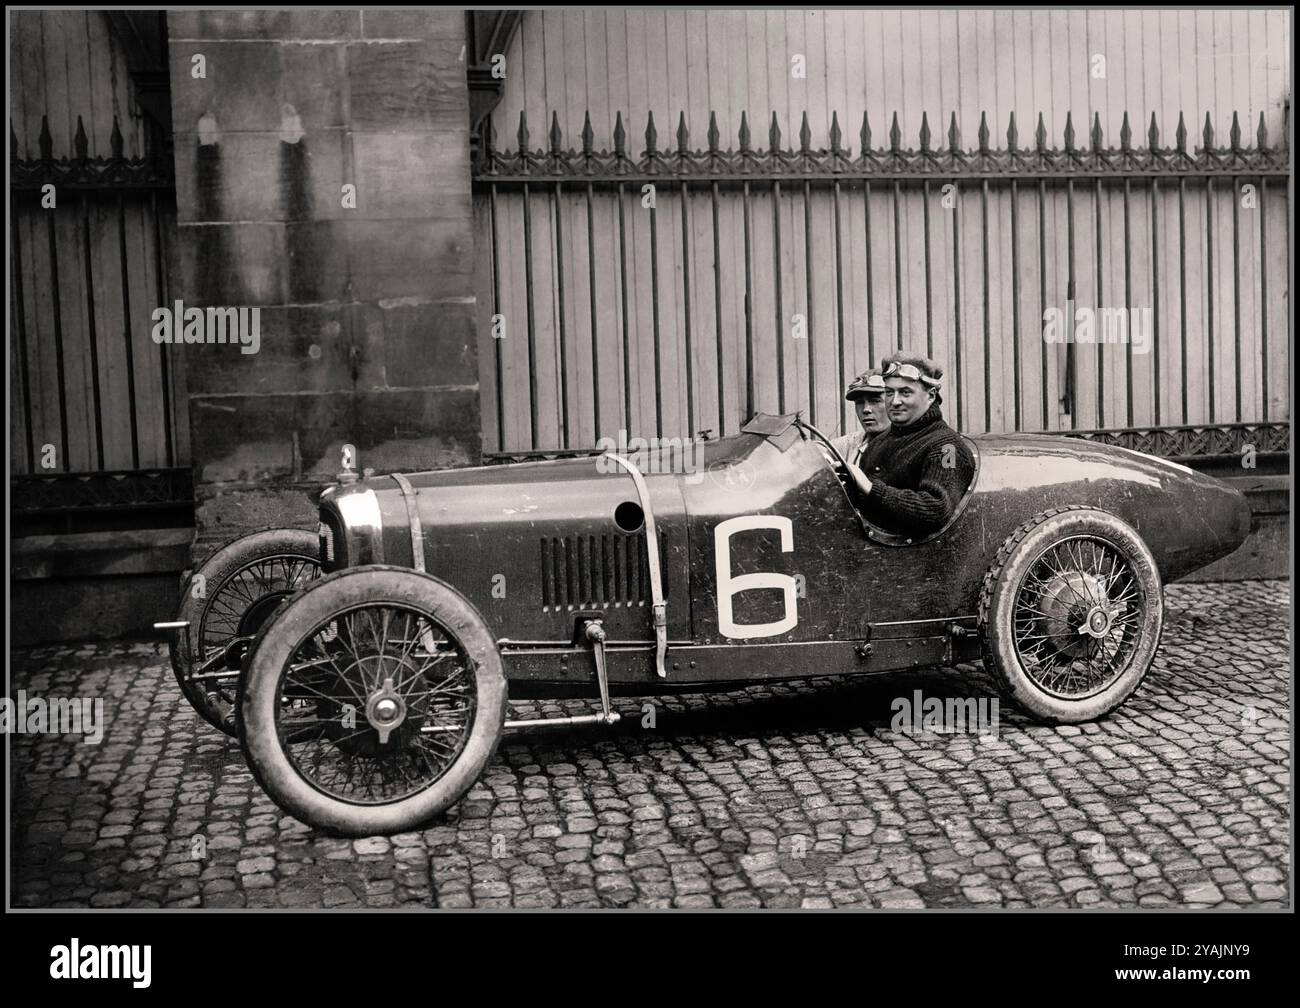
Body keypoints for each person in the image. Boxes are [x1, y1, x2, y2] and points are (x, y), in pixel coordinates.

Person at [842, 351, 975, 537]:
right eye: (889, 392)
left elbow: (936, 508)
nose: (895, 401)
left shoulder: (948, 448)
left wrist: (871, 488)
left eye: (905, 392)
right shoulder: (880, 441)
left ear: (930, 396)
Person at [832, 368, 890, 465]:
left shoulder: (908, 445)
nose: (866, 409)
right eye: (859, 402)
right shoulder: (853, 442)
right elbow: (818, 451)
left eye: (875, 401)